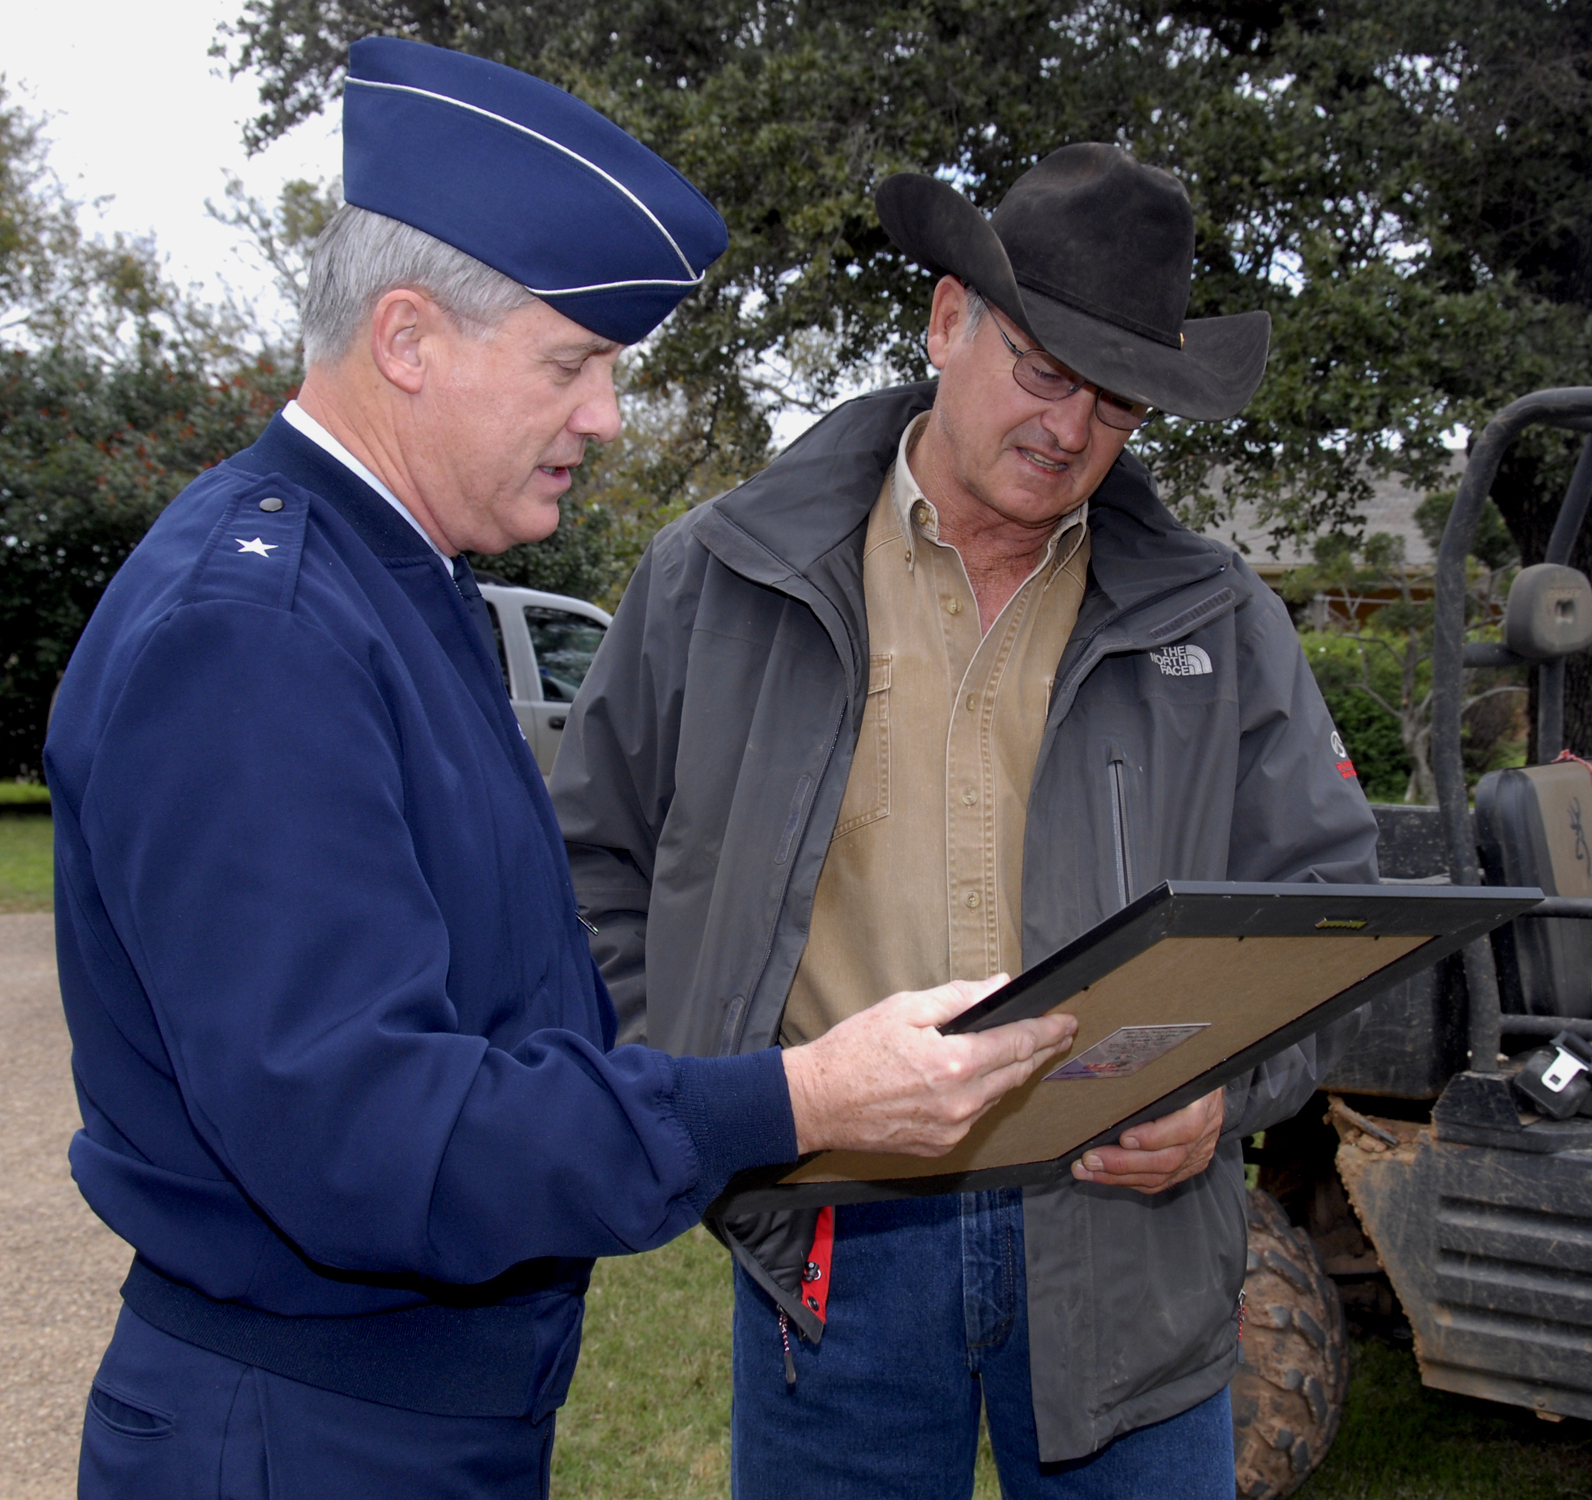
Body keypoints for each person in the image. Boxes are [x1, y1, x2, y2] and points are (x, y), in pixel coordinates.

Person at [44, 38, 1077, 1500]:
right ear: (407, 338)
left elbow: (513, 1003)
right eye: (573, 362)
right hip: (305, 1435)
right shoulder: (255, 635)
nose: (603, 415)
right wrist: (793, 1102)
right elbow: (367, 1134)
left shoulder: (390, 583)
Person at [550, 144, 1380, 1498]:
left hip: (1130, 1250)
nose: (1070, 427)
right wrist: (704, 1096)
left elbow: (1330, 915)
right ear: (947, 319)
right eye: (1044, 370)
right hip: (835, 1233)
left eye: (1118, 403)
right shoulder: (717, 576)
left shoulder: (1220, 621)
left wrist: (1227, 1090)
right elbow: (588, 870)